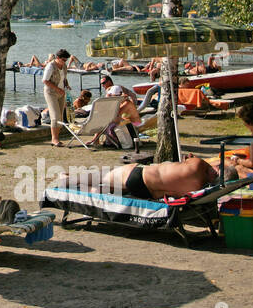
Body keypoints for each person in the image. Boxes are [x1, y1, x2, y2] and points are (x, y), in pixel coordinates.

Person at [52, 152, 234, 200]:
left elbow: (187, 160)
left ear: (216, 171)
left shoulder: (199, 165)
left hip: (139, 174)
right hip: (147, 192)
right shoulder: (198, 189)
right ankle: (77, 184)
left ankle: (66, 180)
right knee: (103, 186)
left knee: (102, 175)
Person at [42, 48, 71, 147]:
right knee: (55, 116)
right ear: (57, 58)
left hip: (61, 92)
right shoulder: (50, 66)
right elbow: (45, 81)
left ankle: (57, 137)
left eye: (66, 60)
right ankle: (54, 139)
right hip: (51, 93)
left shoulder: (64, 66)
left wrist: (67, 84)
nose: (64, 62)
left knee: (61, 117)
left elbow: (64, 78)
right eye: (63, 60)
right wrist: (57, 89)